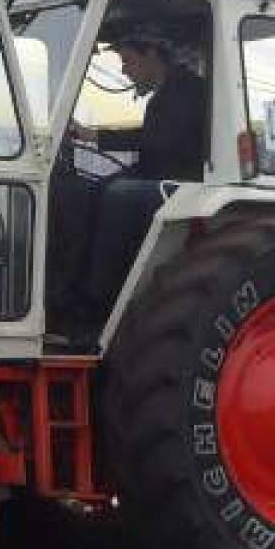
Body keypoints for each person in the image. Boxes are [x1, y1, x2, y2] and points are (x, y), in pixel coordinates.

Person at [52, 23, 208, 345]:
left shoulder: (188, 91)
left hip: (182, 184)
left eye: (128, 61)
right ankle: (67, 290)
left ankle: (97, 298)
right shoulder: (168, 93)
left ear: (152, 55)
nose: (124, 71)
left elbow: (159, 141)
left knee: (118, 197)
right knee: (85, 191)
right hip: (158, 175)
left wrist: (96, 135)